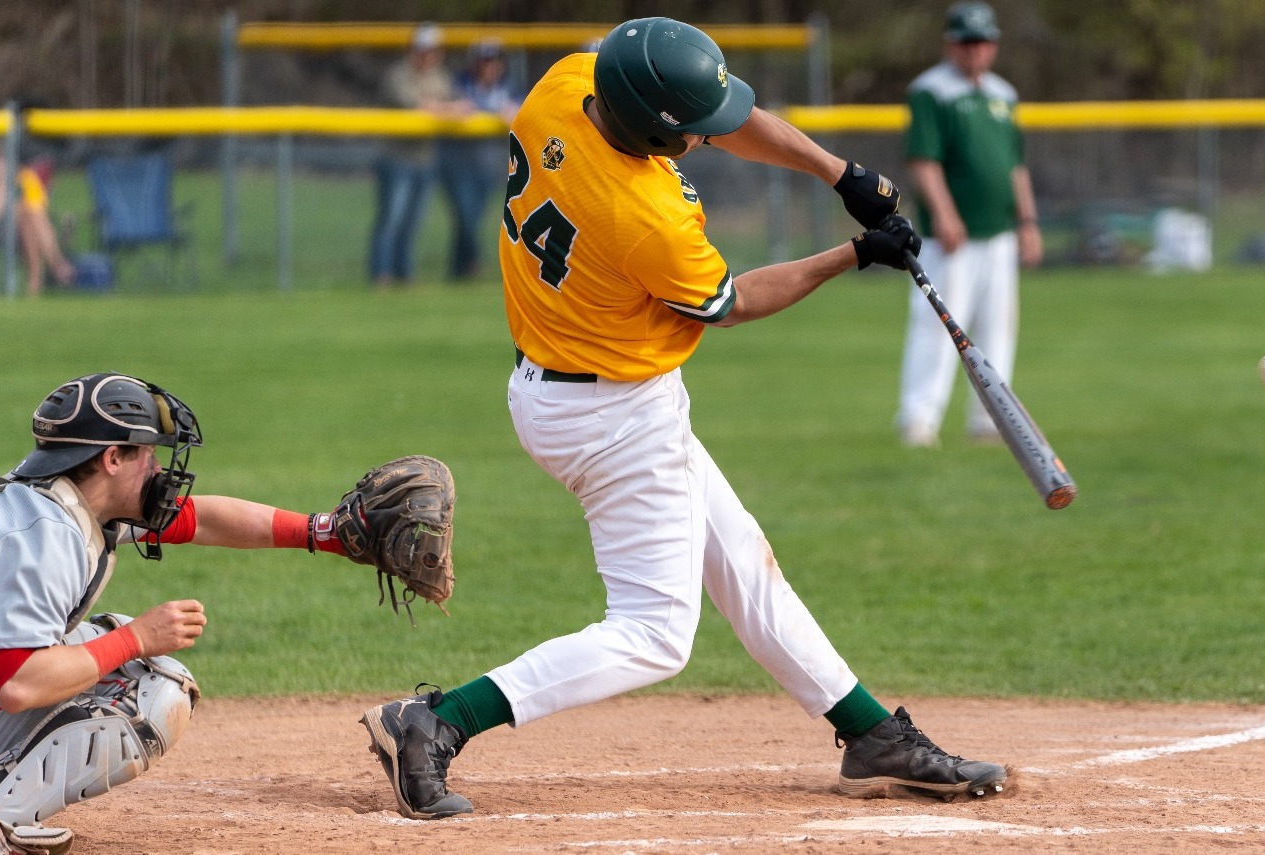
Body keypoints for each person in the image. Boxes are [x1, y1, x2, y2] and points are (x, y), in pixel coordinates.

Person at [359, 17, 1010, 821]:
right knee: (656, 632)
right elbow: (732, 303)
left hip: (570, 385)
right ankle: (435, 719)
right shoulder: (643, 218)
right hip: (613, 415)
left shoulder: (566, 86)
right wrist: (854, 255)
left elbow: (729, 119)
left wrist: (838, 171)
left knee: (742, 559)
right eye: (691, 132)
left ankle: (869, 732)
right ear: (650, 130)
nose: (709, 137)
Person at [0, 373, 381, 854]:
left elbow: (204, 518)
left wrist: (324, 533)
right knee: (149, 685)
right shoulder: (43, 536)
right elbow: (19, 684)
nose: (159, 467)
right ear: (112, 458)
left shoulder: (66, 501)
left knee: (138, 670)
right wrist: (136, 636)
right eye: (148, 453)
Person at [895, 1, 1043, 448]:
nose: (974, 51)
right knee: (938, 325)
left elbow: (1015, 165)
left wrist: (1028, 222)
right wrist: (944, 213)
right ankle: (919, 419)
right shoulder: (931, 91)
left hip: (997, 233)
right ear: (950, 44)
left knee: (999, 327)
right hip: (951, 238)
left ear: (993, 45)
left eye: (982, 42)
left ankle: (991, 420)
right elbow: (924, 158)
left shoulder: (1003, 94)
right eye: (966, 42)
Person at [368, 23, 472, 288]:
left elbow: (462, 103)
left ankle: (404, 274)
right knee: (391, 219)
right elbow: (417, 106)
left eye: (432, 50)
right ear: (412, 50)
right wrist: (448, 109)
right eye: (422, 50)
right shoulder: (398, 75)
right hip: (396, 158)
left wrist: (451, 108)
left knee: (413, 221)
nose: (427, 55)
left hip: (425, 159)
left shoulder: (440, 77)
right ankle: (381, 275)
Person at [436, 38, 524, 282]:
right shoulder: (461, 83)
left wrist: (508, 111)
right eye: (484, 62)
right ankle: (467, 266)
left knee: (473, 219)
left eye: (493, 62)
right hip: (458, 165)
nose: (489, 67)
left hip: (489, 166)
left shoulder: (509, 88)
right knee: (466, 217)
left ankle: (460, 270)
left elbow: (522, 111)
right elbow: (450, 105)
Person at [0, 156, 75, 297]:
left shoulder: (22, 177)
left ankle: (35, 279)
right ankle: (56, 262)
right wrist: (2, 183)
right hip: (1, 231)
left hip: (20, 228)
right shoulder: (2, 183)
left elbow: (38, 205)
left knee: (29, 222)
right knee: (31, 216)